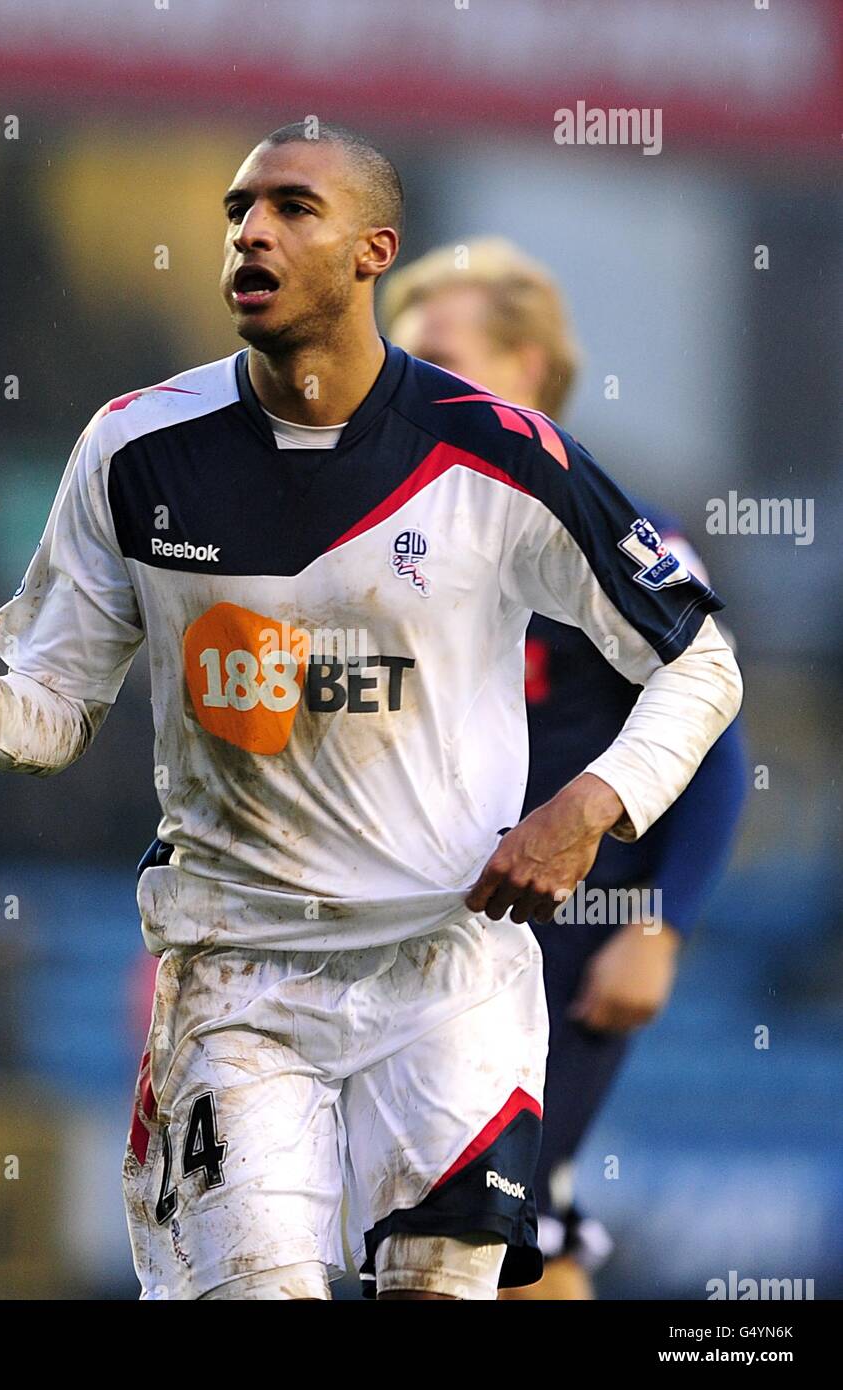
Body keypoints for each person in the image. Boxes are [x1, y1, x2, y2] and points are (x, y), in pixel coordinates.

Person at [0, 124, 742, 1301]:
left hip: (449, 970)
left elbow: (699, 662)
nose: (252, 231)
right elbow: (54, 711)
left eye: (292, 207)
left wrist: (588, 808)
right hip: (238, 978)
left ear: (374, 250)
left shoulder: (501, 458)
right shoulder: (135, 451)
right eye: (239, 209)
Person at [384, 237, 748, 1298]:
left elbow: (718, 752)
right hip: (433, 933)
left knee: (491, 1242)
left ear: (530, 369)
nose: (419, 386)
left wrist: (658, 928)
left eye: (442, 357)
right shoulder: (409, 532)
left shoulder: (614, 529)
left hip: (563, 949)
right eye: (407, 363)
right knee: (480, 1245)